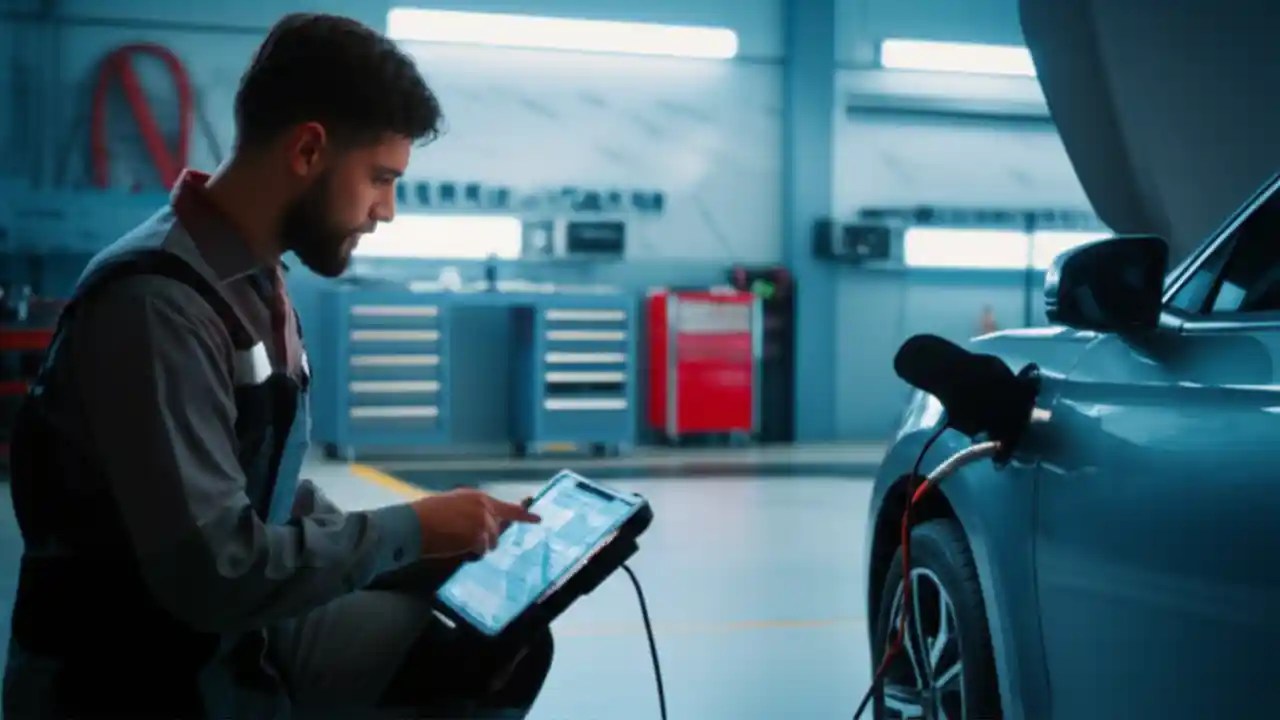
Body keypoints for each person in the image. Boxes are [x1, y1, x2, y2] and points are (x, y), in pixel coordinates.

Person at [2, 12, 554, 719]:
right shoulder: (159, 306)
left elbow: (269, 498)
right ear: (308, 151)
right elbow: (215, 572)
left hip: (228, 641)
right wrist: (412, 530)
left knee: (496, 640)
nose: (387, 210)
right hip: (129, 677)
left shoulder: (256, 282)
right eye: (381, 178)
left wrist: (435, 545)